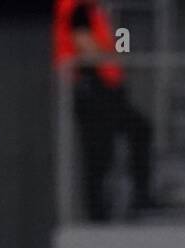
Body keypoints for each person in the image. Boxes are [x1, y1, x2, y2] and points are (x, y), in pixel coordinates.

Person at [53, 0, 157, 221]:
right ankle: (103, 210)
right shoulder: (78, 9)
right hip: (93, 88)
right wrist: (111, 56)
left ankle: (134, 197)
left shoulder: (90, 10)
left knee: (130, 134)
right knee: (100, 151)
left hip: (103, 88)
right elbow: (84, 44)